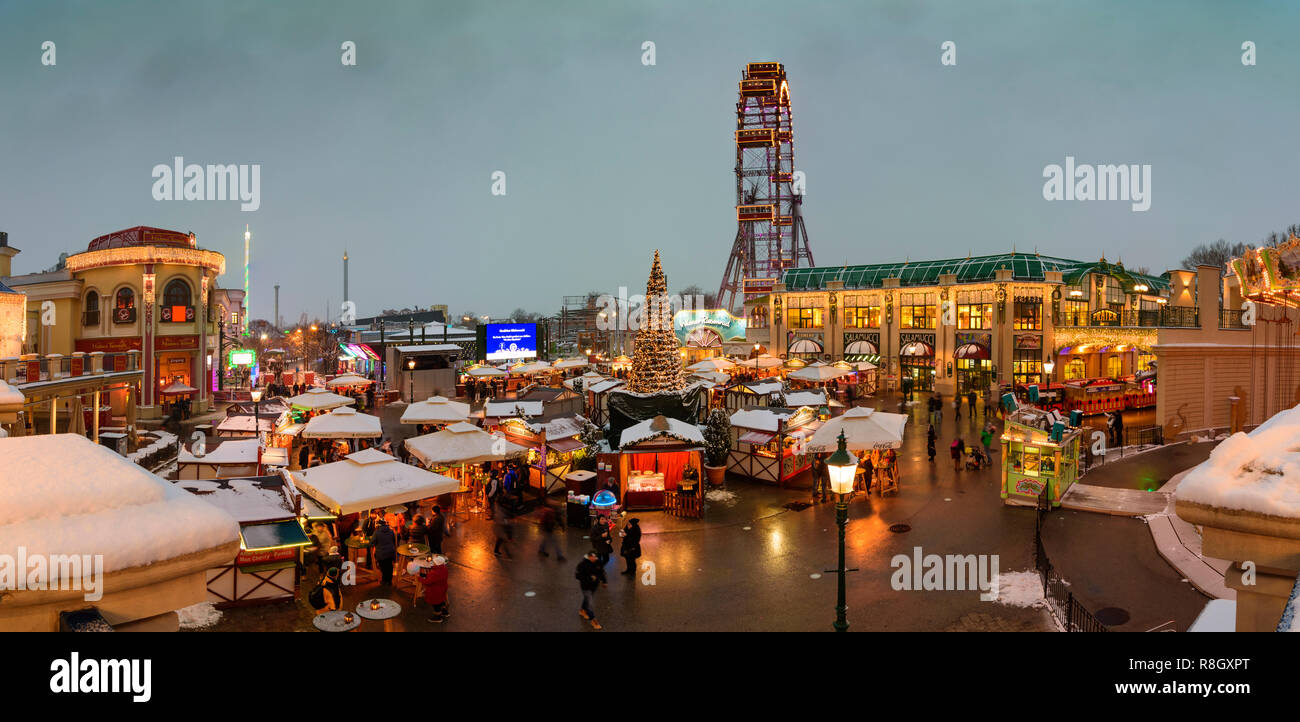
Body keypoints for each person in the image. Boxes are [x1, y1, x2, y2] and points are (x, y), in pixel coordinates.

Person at [575, 550, 607, 630]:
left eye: (595, 557)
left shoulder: (598, 562)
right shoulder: (582, 565)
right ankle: (593, 620)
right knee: (589, 603)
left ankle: (582, 610)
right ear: (589, 557)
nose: (594, 559)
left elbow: (601, 572)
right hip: (585, 586)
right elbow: (578, 576)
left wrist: (604, 581)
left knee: (587, 599)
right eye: (592, 557)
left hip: (594, 586)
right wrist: (589, 578)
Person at [421, 555, 450, 623]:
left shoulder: (434, 573)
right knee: (441, 600)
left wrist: (419, 578)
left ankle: (438, 617)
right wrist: (425, 575)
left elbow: (427, 582)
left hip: (435, 591)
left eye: (434, 562)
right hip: (443, 588)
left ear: (437, 564)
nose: (433, 563)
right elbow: (436, 579)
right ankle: (445, 612)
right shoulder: (444, 568)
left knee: (436, 604)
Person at [372, 518, 398, 585]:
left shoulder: (376, 532)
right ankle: (389, 580)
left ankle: (384, 580)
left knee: (383, 567)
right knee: (390, 566)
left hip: (381, 553)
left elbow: (373, 542)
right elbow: (393, 540)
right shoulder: (391, 531)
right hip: (390, 552)